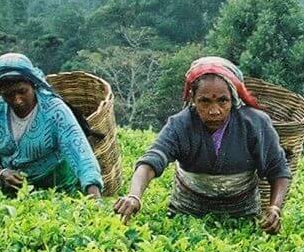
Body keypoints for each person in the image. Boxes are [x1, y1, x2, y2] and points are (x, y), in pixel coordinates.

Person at [113, 57, 290, 233]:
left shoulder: (254, 123)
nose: (214, 111)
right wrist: (134, 196)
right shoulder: (181, 124)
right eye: (205, 101)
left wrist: (275, 208)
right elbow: (152, 160)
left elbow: (278, 169)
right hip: (188, 210)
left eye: (222, 101)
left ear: (233, 99)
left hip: (242, 213)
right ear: (193, 99)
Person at [0, 52, 103, 198]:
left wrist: (94, 196)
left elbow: (80, 154)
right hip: (12, 194)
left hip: (58, 191)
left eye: (22, 91)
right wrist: (0, 173)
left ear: (33, 85)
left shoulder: (55, 111)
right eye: (8, 94)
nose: (17, 100)